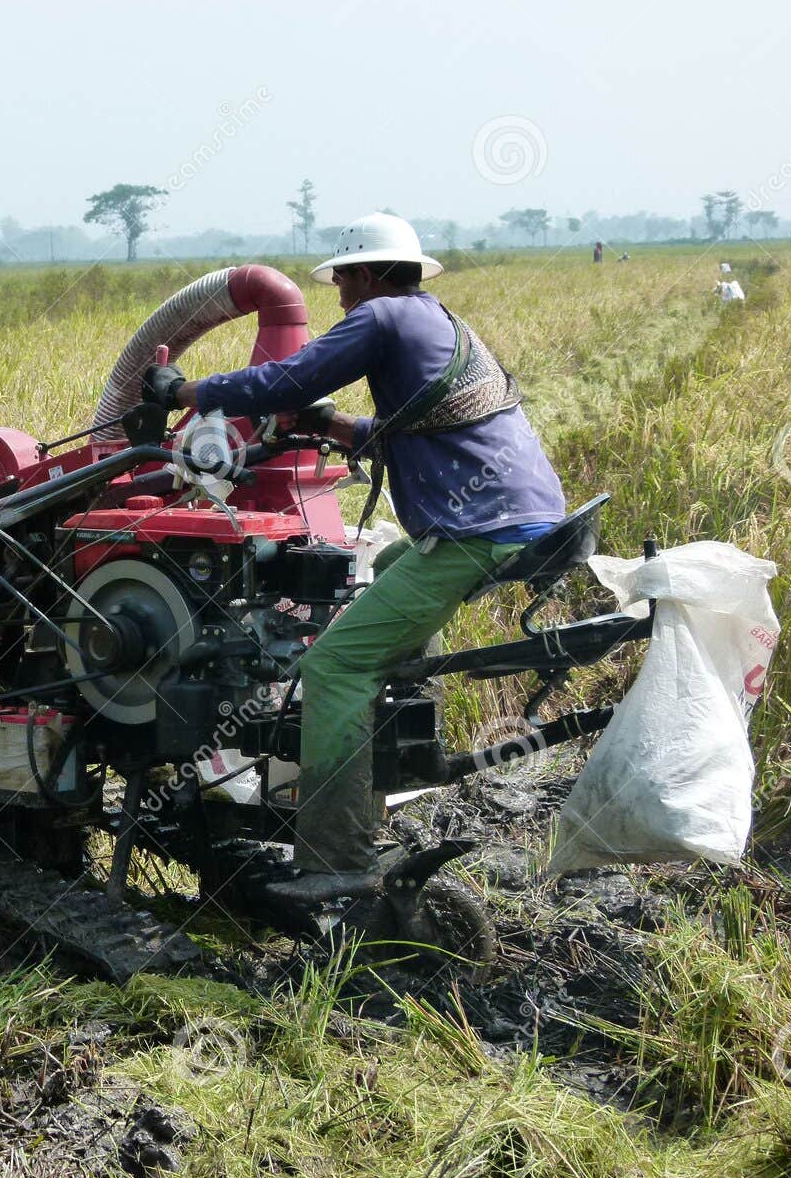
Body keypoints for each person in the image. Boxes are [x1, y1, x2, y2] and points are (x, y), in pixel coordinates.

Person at [141, 212, 566, 897]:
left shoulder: (382, 317)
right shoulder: (434, 319)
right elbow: (419, 423)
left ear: (367, 273)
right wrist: (333, 426)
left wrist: (189, 394)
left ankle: (337, 862)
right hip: (520, 511)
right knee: (378, 595)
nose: (338, 291)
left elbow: (285, 379)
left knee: (335, 665)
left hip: (477, 525)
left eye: (342, 276)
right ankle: (367, 770)